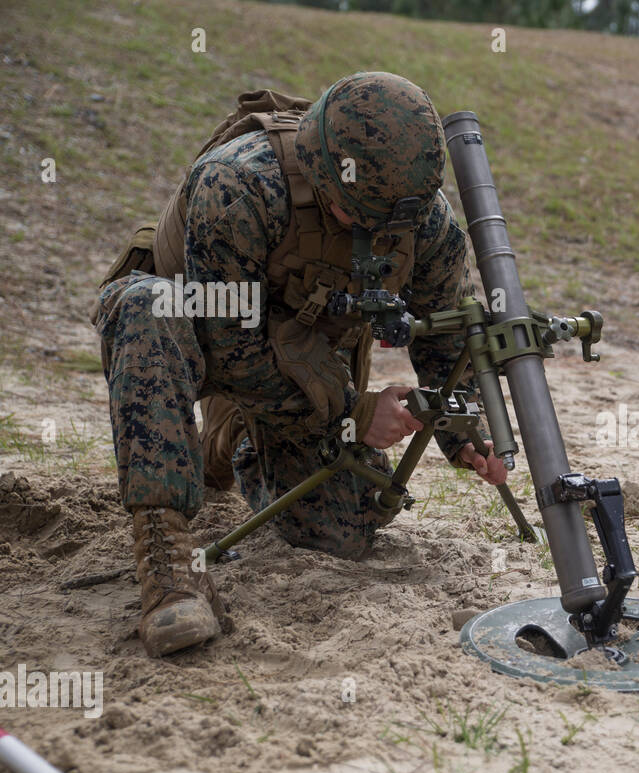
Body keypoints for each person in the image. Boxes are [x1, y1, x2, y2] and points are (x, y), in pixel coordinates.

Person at [92, 72, 505, 657]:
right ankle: (169, 568)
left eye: (383, 226)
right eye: (354, 217)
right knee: (144, 308)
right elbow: (232, 348)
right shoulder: (239, 185)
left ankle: (231, 441)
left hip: (303, 360)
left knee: (342, 532)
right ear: (319, 168)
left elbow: (447, 337)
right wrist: (357, 412)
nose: (370, 234)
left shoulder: (419, 217)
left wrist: (467, 434)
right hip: (196, 340)